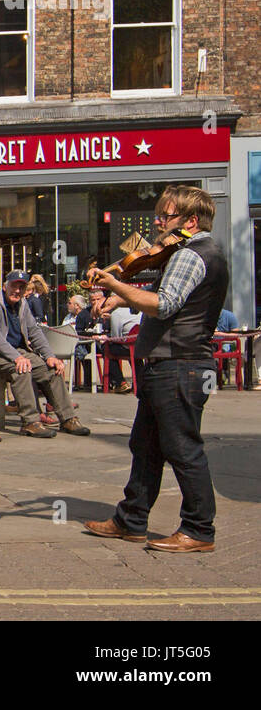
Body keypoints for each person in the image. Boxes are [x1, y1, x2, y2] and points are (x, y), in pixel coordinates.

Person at [83, 186, 228, 553]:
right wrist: (120, 297)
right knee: (145, 446)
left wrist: (115, 283)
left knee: (182, 449)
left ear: (191, 221)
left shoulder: (191, 253)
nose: (158, 223)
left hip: (178, 365)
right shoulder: (194, 251)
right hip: (173, 364)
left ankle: (198, 529)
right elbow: (167, 294)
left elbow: (163, 305)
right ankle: (131, 520)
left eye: (167, 215)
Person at [0, 270, 91, 438]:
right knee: (22, 369)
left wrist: (50, 356)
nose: (17, 290)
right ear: (5, 285)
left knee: (52, 370)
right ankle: (30, 421)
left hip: (20, 350)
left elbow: (35, 332)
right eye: (14, 286)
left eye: (21, 287)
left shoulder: (23, 304)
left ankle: (68, 418)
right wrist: (17, 357)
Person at [73, 286, 109, 392]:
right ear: (89, 301)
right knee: (83, 350)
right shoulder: (83, 314)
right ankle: (88, 382)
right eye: (93, 300)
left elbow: (113, 329)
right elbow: (78, 332)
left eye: (99, 299)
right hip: (89, 343)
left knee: (110, 350)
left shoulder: (109, 311)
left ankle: (112, 382)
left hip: (105, 342)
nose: (96, 302)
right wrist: (90, 335)